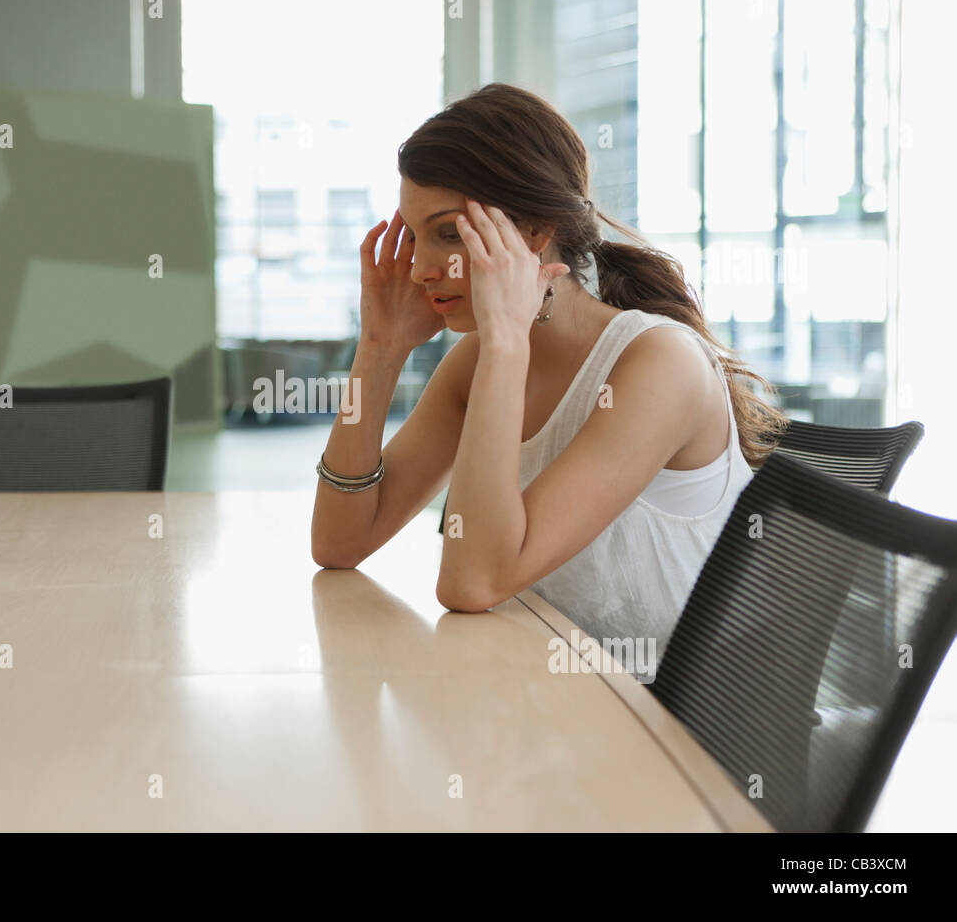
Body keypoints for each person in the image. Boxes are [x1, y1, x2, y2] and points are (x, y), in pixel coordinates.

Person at [310, 83, 786, 670]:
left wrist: (507, 344)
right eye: (412, 236)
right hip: (547, 697)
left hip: (665, 733)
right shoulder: (477, 361)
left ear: (533, 233)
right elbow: (339, 543)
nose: (421, 268)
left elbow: (474, 582)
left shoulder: (659, 364)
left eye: (449, 233)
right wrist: (380, 352)